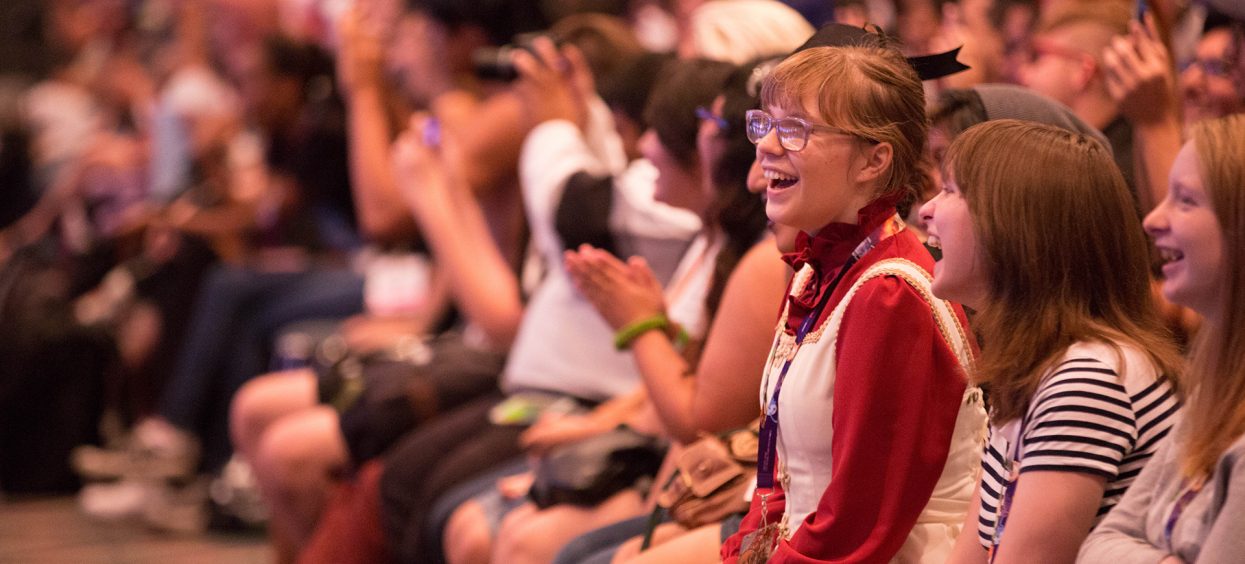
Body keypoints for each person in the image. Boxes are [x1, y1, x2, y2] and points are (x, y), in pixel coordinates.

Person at [719, 36, 985, 564]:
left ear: (873, 159)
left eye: (794, 130)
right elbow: (782, 485)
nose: (767, 146)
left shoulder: (890, 295)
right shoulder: (820, 269)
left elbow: (856, 530)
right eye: (764, 124)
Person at [921, 119, 1182, 564]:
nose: (926, 209)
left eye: (950, 190)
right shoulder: (1041, 367)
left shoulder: (1089, 379)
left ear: (1014, 227)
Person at [1079, 114, 1245, 563]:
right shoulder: (1219, 390)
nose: (1152, 219)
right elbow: (1097, 545)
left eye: (1186, 201)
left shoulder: (1089, 378)